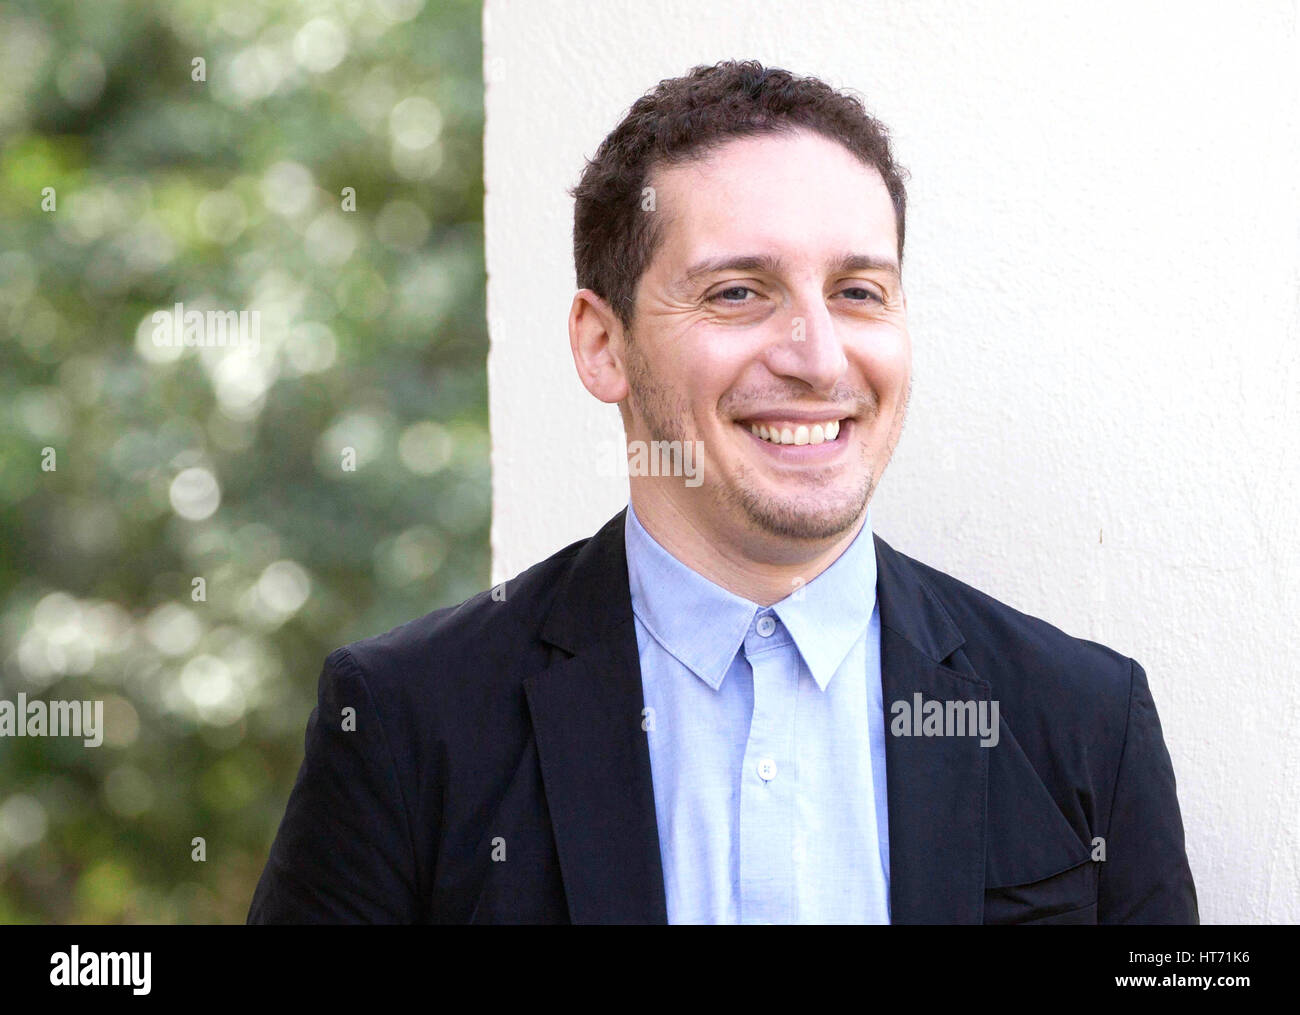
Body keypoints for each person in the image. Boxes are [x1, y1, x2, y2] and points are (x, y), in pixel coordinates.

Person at [247, 60, 1197, 924]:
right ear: (601, 343)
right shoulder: (405, 723)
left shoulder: (1083, 719)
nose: (818, 357)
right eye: (739, 292)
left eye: (859, 291)